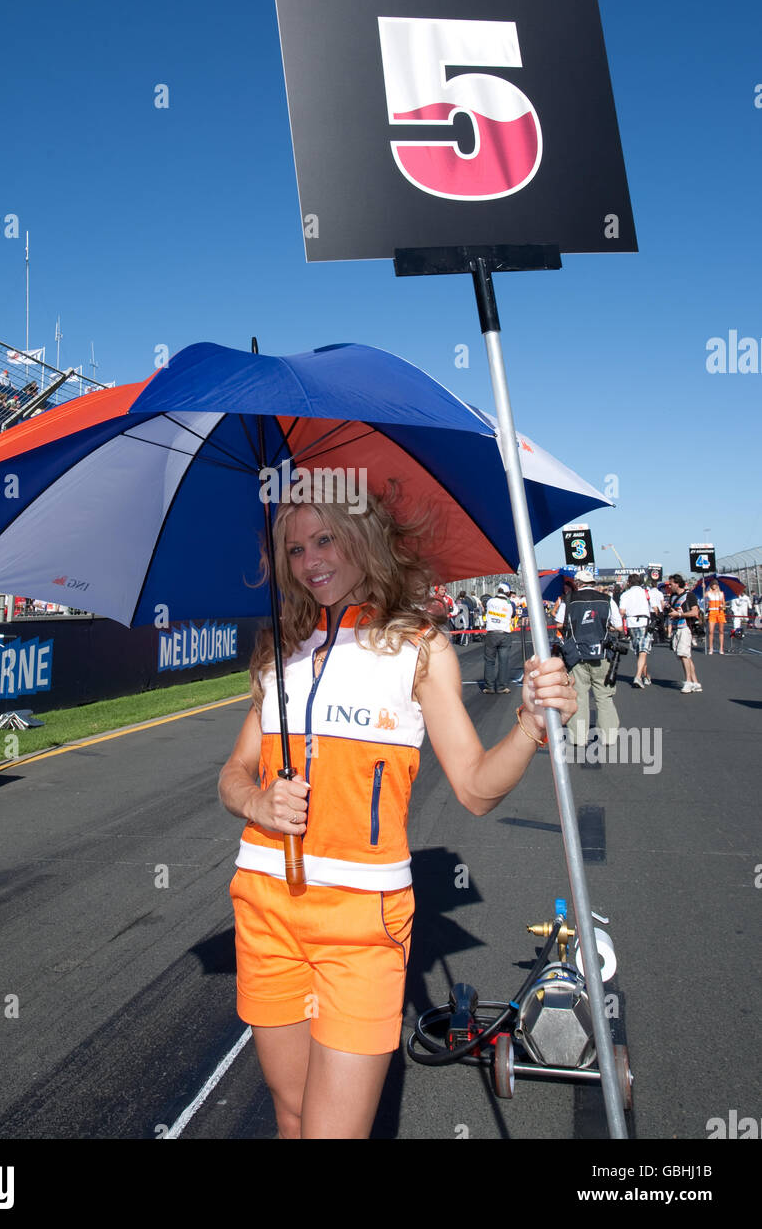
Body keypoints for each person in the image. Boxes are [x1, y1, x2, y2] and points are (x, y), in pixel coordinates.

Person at [217, 489, 576, 1140]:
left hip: (362, 919)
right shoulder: (282, 649)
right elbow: (233, 773)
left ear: (362, 540)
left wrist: (526, 728)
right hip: (264, 905)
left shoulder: (418, 647)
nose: (308, 561)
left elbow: (472, 786)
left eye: (322, 540)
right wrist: (256, 801)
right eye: (294, 548)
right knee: (290, 1114)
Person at [555, 567, 624, 749]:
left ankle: (579, 737)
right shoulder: (607, 600)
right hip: (602, 653)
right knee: (604, 696)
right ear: (593, 583)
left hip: (577, 654)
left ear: (577, 583)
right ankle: (608, 737)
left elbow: (559, 623)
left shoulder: (569, 600)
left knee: (579, 695)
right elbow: (618, 625)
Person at [667, 574, 701, 691]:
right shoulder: (672, 596)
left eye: (671, 584)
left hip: (685, 628)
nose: (669, 586)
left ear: (677, 583)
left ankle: (688, 681)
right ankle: (695, 682)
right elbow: (674, 611)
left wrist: (680, 614)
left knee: (683, 654)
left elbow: (694, 612)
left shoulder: (689, 595)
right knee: (684, 656)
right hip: (677, 628)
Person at [619, 574, 654, 686]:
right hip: (645, 622)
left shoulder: (625, 594)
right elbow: (655, 608)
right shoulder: (646, 593)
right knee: (643, 651)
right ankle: (638, 677)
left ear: (629, 583)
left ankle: (645, 676)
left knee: (639, 652)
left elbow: (622, 611)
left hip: (631, 623)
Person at [481, 580, 516, 693]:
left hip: (491, 633)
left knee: (489, 661)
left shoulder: (490, 601)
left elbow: (484, 605)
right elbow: (513, 614)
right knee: (503, 661)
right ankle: (501, 687)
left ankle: (489, 686)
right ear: (507, 593)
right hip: (504, 634)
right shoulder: (510, 603)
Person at [705, 579, 726, 654]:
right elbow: (702, 597)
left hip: (720, 613)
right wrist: (703, 588)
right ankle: (711, 648)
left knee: (721, 631)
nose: (714, 586)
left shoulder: (721, 593)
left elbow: (724, 604)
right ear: (711, 585)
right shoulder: (708, 593)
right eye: (713, 584)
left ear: (717, 585)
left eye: (715, 584)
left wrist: (722, 606)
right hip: (712, 613)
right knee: (711, 631)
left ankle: (721, 648)